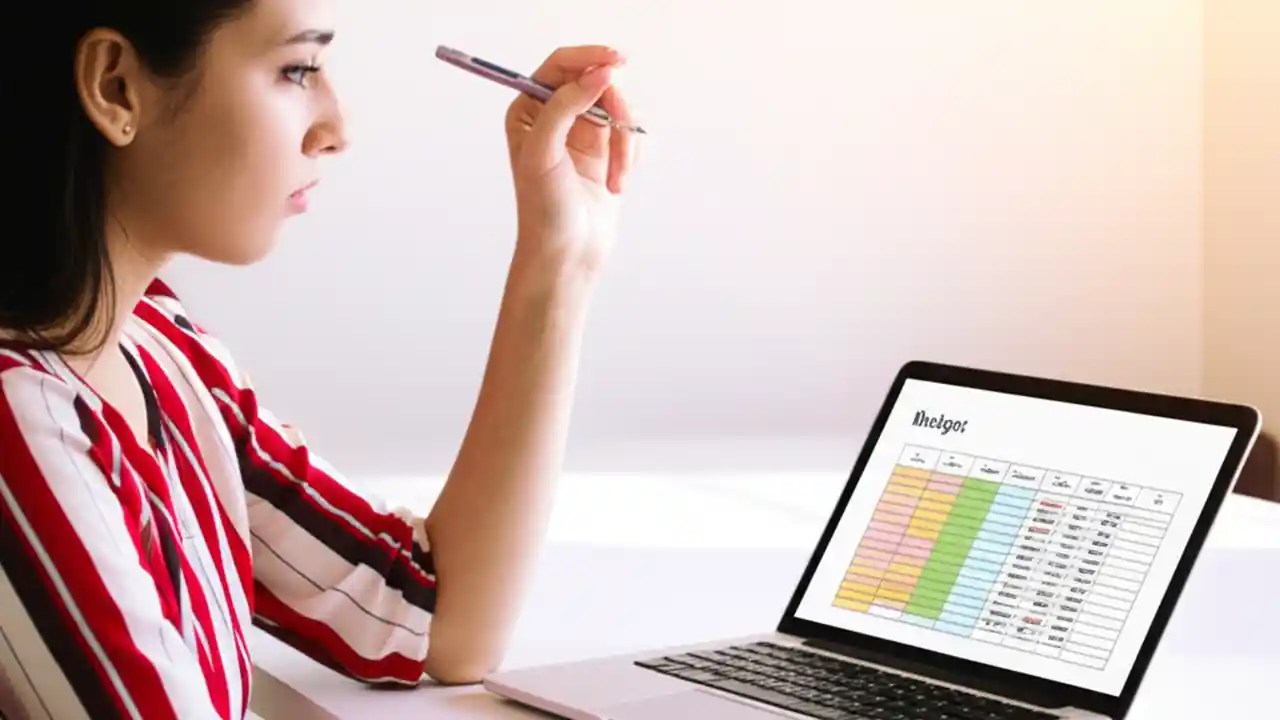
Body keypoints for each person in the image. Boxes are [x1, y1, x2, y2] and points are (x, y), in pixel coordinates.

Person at [0, 0, 640, 717]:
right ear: (116, 88)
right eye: (296, 69)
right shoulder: (19, 419)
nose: (337, 129)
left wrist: (561, 259)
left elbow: (432, 616)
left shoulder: (160, 349)